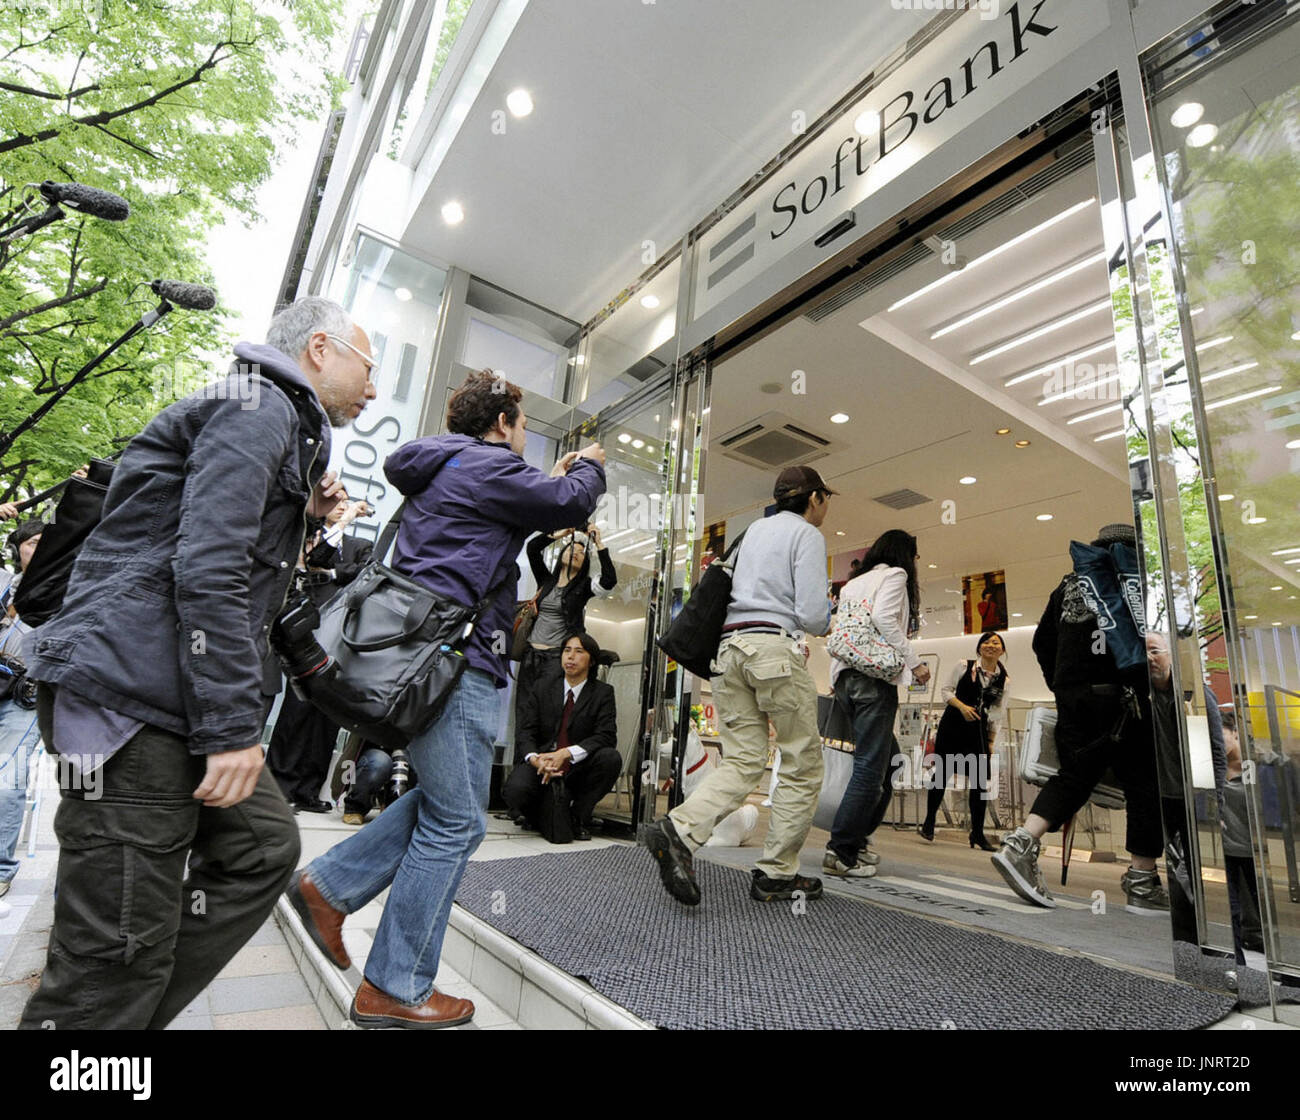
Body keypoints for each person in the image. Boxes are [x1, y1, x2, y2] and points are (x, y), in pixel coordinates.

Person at [16, 296, 373, 1029]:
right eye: (368, 368)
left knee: (263, 850)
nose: (373, 389)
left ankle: (123, 1025)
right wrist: (233, 728)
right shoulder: (260, 407)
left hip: (162, 695)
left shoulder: (269, 419)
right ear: (319, 348)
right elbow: (210, 568)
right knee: (114, 952)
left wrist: (299, 520)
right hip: (132, 706)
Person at [287, 369, 606, 1029]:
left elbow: (538, 496)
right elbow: (569, 505)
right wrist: (591, 469)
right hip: (456, 660)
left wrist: (559, 474)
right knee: (458, 821)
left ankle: (328, 888)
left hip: (438, 653)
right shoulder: (487, 465)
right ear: (502, 425)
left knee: (442, 803)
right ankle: (393, 985)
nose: (522, 441)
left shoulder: (446, 464)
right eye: (521, 428)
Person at [644, 464, 834, 905]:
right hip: (773, 651)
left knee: (743, 760)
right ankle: (776, 874)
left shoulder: (751, 533)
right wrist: (828, 616)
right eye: (826, 499)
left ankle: (680, 828)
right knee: (802, 763)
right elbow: (811, 615)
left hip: (728, 653)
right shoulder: (806, 535)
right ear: (814, 498)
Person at [991, 522, 1167, 913]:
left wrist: (1063, 683)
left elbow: (1041, 641)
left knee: (1075, 775)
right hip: (1125, 700)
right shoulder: (1135, 583)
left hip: (1074, 700)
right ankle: (1142, 879)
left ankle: (1022, 842)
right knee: (1143, 784)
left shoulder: (1070, 583)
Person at [822, 529, 931, 878]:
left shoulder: (855, 582)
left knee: (892, 761)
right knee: (870, 768)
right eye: (914, 556)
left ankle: (856, 839)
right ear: (903, 554)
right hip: (874, 680)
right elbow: (884, 620)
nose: (915, 563)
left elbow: (845, 628)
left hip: (846, 679)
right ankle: (841, 850)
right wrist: (915, 662)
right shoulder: (895, 575)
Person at [266, 494, 373, 811]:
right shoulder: (311, 537)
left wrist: (331, 575)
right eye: (336, 500)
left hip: (340, 638)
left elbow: (363, 573)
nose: (341, 504)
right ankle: (278, 787)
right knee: (295, 713)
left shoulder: (361, 545)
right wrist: (341, 527)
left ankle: (309, 791)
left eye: (346, 501)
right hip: (305, 634)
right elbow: (316, 558)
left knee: (327, 718)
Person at [505, 631, 620, 840]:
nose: (570, 656)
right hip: (543, 764)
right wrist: (535, 759)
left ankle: (577, 818)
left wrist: (566, 753)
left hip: (578, 767)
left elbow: (606, 736)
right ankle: (537, 816)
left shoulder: (603, 693)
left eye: (578, 651)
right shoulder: (543, 687)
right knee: (514, 790)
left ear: (591, 660)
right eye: (567, 651)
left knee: (610, 758)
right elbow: (526, 731)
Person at [515, 524, 616, 756]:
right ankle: (524, 767)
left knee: (548, 716)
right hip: (531, 655)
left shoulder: (583, 587)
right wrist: (559, 534)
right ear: (561, 554)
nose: (576, 553)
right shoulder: (547, 580)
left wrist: (599, 543)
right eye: (571, 549)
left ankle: (548, 765)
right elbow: (532, 548)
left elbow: (609, 579)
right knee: (524, 716)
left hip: (554, 659)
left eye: (581, 553)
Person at [919, 630, 1006, 850]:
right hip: (954, 725)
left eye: (996, 642)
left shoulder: (1004, 678)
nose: (990, 645)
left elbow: (997, 712)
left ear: (1002, 650)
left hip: (977, 731)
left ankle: (977, 833)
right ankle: (929, 822)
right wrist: (962, 707)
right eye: (986, 641)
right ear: (979, 648)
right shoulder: (964, 666)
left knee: (979, 782)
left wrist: (990, 743)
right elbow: (946, 691)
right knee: (943, 773)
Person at [0, 519, 45, 914]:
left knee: (7, 778)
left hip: (24, 697)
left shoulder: (64, 588)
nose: (38, 549)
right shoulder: (3, 582)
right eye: (31, 543)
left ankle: (0, 869)